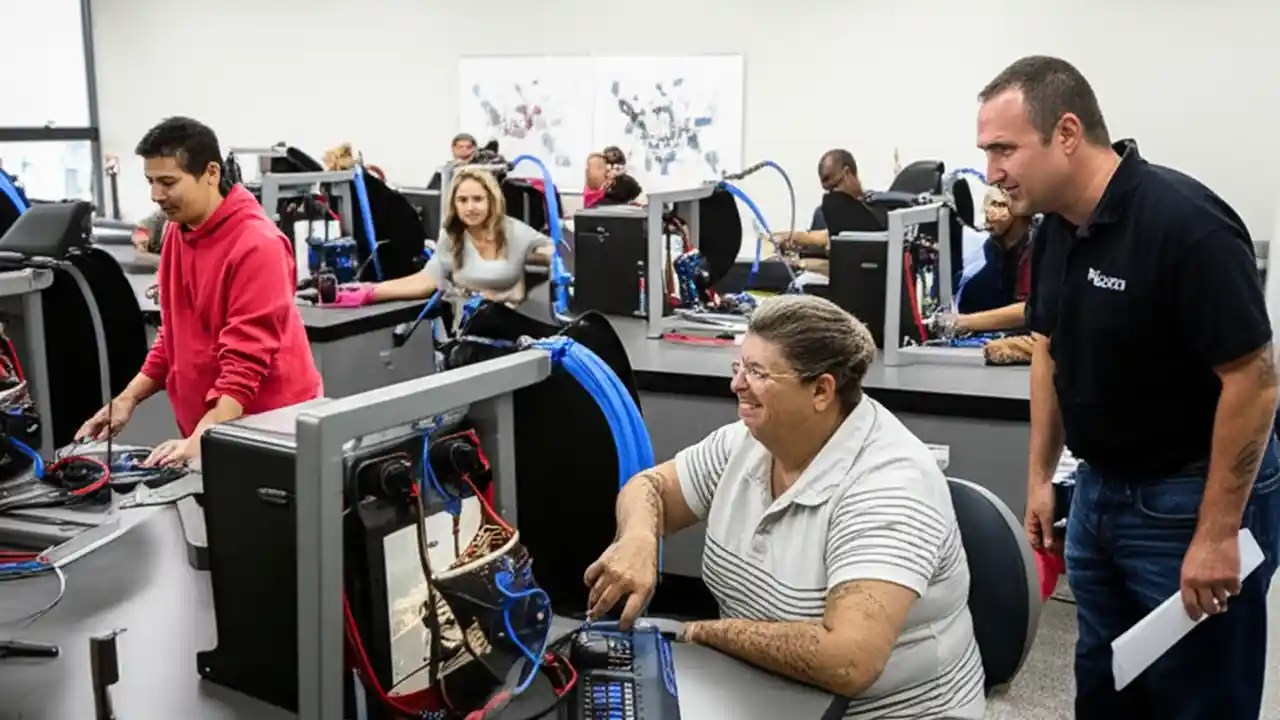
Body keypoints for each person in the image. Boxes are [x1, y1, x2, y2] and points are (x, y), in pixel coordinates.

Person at [978, 55, 1279, 719]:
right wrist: (1039, 474)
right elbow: (1048, 350)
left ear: (1065, 132)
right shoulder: (1056, 228)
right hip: (1098, 490)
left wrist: (1217, 532)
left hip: (1189, 497)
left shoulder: (1185, 224)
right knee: (1108, 682)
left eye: (1004, 149)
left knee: (1198, 694)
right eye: (986, 152)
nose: (992, 172)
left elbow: (1254, 381)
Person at [584, 294, 985, 718]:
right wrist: (638, 538)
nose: (737, 384)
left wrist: (703, 633)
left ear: (821, 390)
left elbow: (848, 661)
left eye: (757, 372)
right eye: (739, 367)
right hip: (761, 693)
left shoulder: (889, 485)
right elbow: (651, 487)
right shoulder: (749, 442)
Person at [76, 117, 323, 466]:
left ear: (210, 172)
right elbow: (173, 336)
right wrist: (127, 400)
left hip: (269, 433)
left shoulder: (257, 245)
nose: (156, 196)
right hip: (218, 429)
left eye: (168, 182)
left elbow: (243, 368)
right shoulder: (179, 233)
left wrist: (200, 439)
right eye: (150, 181)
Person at [328, 168, 553, 308]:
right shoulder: (453, 236)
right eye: (462, 200)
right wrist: (368, 292)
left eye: (478, 199)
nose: (470, 207)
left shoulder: (515, 232)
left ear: (492, 200)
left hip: (525, 334)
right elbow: (426, 280)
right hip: (480, 333)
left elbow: (553, 262)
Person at [772, 149, 888, 259]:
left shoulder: (880, 207)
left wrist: (806, 238)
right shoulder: (821, 215)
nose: (832, 195)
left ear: (847, 173)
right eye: (827, 190)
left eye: (834, 187)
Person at [949, 185, 1035, 333]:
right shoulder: (991, 247)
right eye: (990, 204)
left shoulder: (1036, 248)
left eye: (999, 204)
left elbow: (1028, 310)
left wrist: (962, 322)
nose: (991, 212)